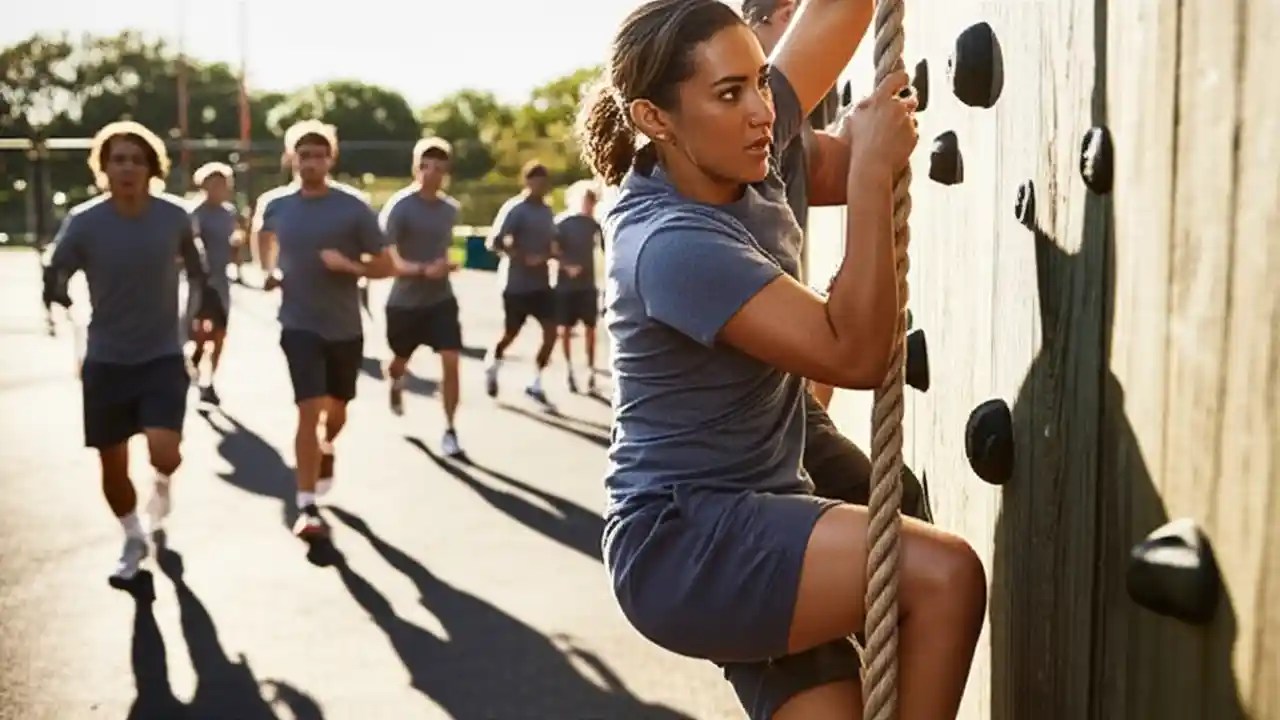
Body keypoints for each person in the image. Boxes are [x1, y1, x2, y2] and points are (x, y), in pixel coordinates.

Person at [578, 1, 987, 719]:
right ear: (654, 118)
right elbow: (854, 354)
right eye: (730, 93)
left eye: (762, 80)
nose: (764, 109)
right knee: (945, 576)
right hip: (689, 544)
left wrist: (850, 148)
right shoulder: (672, 244)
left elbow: (844, 10)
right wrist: (869, 169)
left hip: (762, 515)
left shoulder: (744, 147)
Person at [744, 0, 932, 520]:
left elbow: (838, 164)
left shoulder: (771, 137)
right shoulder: (756, 121)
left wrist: (868, 134)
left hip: (775, 408)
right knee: (906, 532)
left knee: (897, 519)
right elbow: (839, 9)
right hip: (745, 428)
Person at [43, 120, 207, 587]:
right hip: (107, 358)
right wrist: (53, 288)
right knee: (112, 466)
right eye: (118, 159)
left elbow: (198, 268)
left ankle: (163, 481)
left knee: (165, 449)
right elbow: (59, 265)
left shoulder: (173, 215)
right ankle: (133, 536)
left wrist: (205, 308)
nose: (128, 167)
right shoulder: (86, 220)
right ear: (104, 168)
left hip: (161, 354)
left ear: (152, 167)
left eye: (137, 159)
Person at [252, 120, 399, 542]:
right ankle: (306, 506)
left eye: (319, 154)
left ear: (330, 159)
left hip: (344, 327)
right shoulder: (276, 203)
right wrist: (269, 270)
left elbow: (387, 265)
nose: (311, 162)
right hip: (298, 323)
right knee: (308, 408)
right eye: (304, 154)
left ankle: (326, 447)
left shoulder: (352, 207)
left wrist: (350, 266)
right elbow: (262, 236)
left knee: (335, 412)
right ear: (291, 159)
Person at [380, 137, 466, 458]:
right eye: (425, 166)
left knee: (451, 360)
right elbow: (388, 259)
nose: (432, 172)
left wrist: (450, 263)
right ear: (416, 168)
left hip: (441, 301)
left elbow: (450, 248)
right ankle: (395, 380)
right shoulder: (400, 206)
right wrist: (420, 270)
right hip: (404, 303)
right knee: (400, 360)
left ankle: (449, 429)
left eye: (439, 167)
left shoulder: (449, 209)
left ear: (446, 170)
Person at [483, 161, 558, 405]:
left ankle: (535, 382)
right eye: (536, 181)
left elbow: (551, 246)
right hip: (516, 284)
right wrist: (522, 256)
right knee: (511, 333)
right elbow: (494, 241)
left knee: (551, 331)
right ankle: (492, 363)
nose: (541, 186)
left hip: (541, 284)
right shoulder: (515, 209)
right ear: (527, 182)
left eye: (544, 182)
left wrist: (548, 256)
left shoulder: (547, 212)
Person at [187, 161, 240, 406]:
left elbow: (234, 241)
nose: (218, 188)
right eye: (213, 183)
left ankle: (210, 381)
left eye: (222, 184)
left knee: (220, 332)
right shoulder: (193, 212)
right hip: (199, 282)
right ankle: (196, 360)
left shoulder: (228, 212)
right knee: (199, 332)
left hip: (221, 281)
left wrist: (236, 252)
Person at [552, 180, 604, 394]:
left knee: (591, 329)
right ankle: (569, 368)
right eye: (586, 200)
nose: (588, 205)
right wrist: (567, 266)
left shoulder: (594, 224)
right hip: (565, 286)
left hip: (587, 285)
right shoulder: (561, 223)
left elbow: (605, 249)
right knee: (565, 329)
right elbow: (552, 250)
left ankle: (590, 371)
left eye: (592, 201)